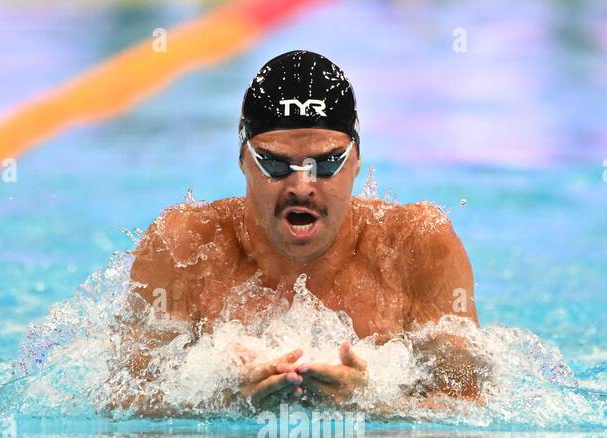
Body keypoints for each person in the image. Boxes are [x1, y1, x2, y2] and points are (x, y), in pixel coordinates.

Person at [124, 50, 486, 411]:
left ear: (357, 160)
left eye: (326, 163)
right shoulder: (182, 248)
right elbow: (122, 401)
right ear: (242, 159)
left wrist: (371, 406)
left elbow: (470, 410)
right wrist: (225, 401)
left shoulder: (416, 245)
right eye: (274, 163)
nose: (301, 185)